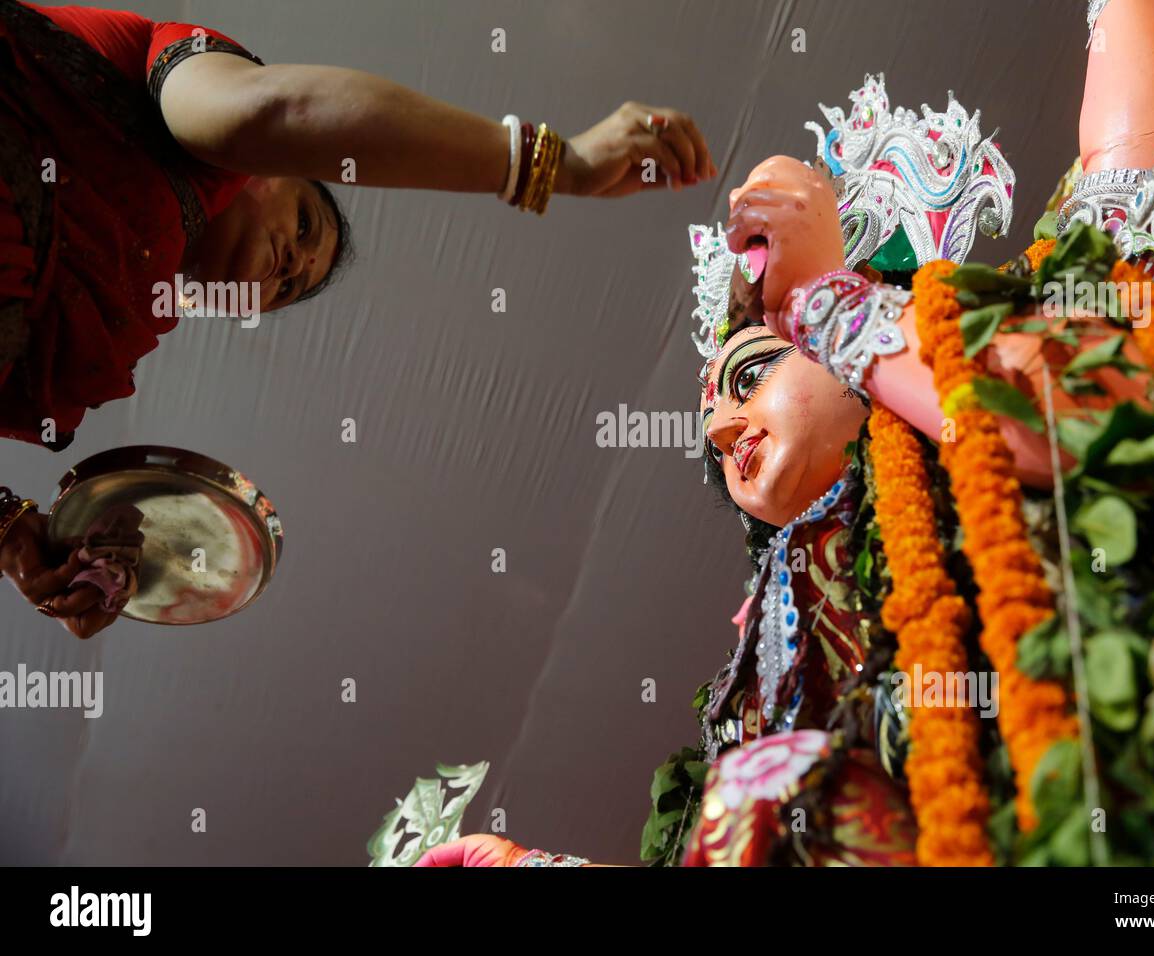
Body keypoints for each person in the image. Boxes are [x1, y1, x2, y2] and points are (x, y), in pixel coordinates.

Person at [424, 0, 1154, 866]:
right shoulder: (768, 645)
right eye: (711, 430)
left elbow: (1091, 420)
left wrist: (822, 298)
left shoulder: (937, 384)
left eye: (751, 375)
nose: (725, 426)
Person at [0, 0, 715, 637]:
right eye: (306, 227)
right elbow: (267, 113)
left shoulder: (103, 337)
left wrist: (17, 537)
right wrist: (560, 164)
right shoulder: (178, 76)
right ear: (270, 171)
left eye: (289, 290)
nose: (291, 266)